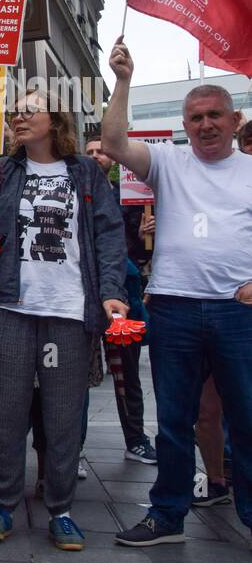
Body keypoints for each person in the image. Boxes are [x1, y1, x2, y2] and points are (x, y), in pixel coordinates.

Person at [0, 88, 127, 551]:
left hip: (70, 313)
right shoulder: (6, 169)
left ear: (56, 121)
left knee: (62, 414)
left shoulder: (87, 173)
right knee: (7, 409)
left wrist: (112, 293)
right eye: (15, 112)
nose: (19, 117)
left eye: (30, 110)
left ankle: (62, 509)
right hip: (11, 308)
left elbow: (109, 235)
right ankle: (2, 505)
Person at [100, 38, 252, 546]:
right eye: (195, 118)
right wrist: (123, 80)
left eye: (214, 115)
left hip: (238, 311)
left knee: (247, 416)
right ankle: (167, 514)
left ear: (233, 121)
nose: (205, 124)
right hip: (173, 307)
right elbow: (115, 141)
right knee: (173, 420)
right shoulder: (169, 162)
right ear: (183, 126)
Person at [84, 138, 156, 464]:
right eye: (89, 153)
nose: (96, 156)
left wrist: (145, 237)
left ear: (113, 158)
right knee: (77, 376)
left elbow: (142, 257)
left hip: (121, 299)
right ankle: (72, 448)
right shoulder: (72, 194)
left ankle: (136, 438)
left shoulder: (128, 200)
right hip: (82, 299)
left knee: (127, 374)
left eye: (101, 151)